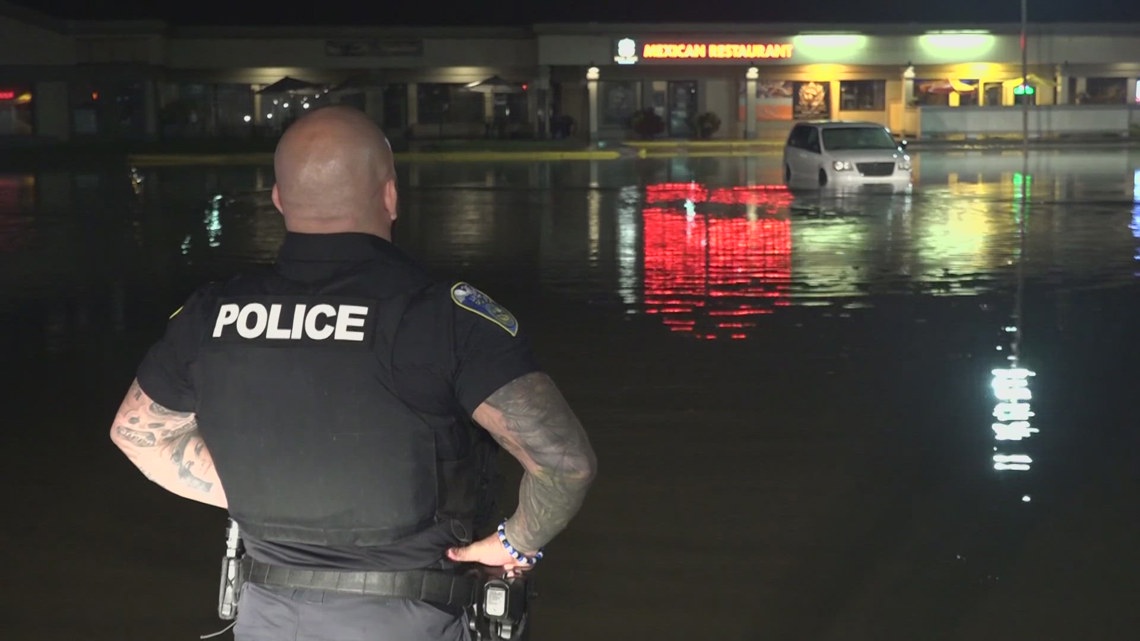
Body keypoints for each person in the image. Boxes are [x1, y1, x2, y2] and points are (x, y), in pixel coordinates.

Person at [109, 105, 598, 641]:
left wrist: (269, 485)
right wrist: (514, 543)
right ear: (390, 196)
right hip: (413, 618)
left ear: (278, 199)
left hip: (267, 619)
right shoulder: (444, 318)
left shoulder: (209, 315)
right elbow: (564, 462)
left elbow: (138, 436)